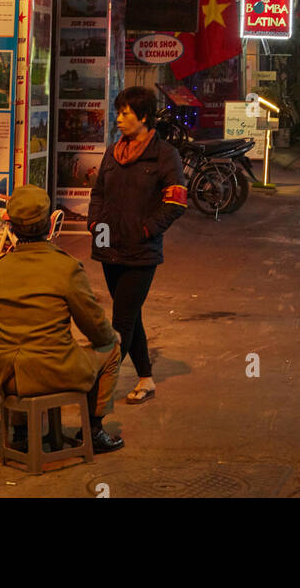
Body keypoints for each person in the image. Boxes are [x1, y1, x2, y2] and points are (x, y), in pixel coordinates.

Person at [0, 186, 123, 455]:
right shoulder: (65, 267)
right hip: (52, 373)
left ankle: (23, 432)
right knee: (111, 348)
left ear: (12, 226)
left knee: (19, 348)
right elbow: (97, 329)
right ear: (50, 224)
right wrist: (106, 338)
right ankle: (94, 430)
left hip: (6, 375)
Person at [88, 87, 187, 405]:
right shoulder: (113, 152)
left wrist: (148, 229)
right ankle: (145, 378)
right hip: (108, 245)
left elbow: (175, 202)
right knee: (130, 314)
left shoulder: (164, 155)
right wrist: (94, 224)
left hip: (141, 250)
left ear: (143, 117)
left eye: (125, 113)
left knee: (122, 321)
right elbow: (98, 193)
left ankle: (99, 390)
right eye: (118, 112)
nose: (118, 119)